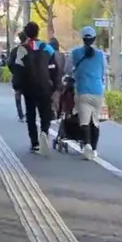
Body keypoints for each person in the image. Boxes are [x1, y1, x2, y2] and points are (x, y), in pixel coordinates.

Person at [10, 22, 59, 153]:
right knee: (45, 113)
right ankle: (44, 133)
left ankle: (34, 143)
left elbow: (17, 68)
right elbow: (54, 68)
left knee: (30, 114)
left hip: (28, 86)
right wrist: (55, 85)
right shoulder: (47, 48)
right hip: (45, 86)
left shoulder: (22, 49)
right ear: (38, 32)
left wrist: (17, 86)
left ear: (26, 33)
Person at [68, 26, 107, 160]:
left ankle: (87, 145)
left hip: (82, 90)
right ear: (94, 39)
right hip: (97, 91)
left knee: (84, 121)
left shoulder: (75, 53)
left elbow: (68, 70)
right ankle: (94, 149)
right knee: (95, 121)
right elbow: (103, 73)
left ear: (83, 38)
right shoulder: (101, 55)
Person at [9, 31, 28, 120]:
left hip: (17, 75)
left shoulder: (14, 50)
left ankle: (20, 114)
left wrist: (14, 71)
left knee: (18, 93)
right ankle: (28, 113)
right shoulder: (30, 50)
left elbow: (9, 63)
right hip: (28, 76)